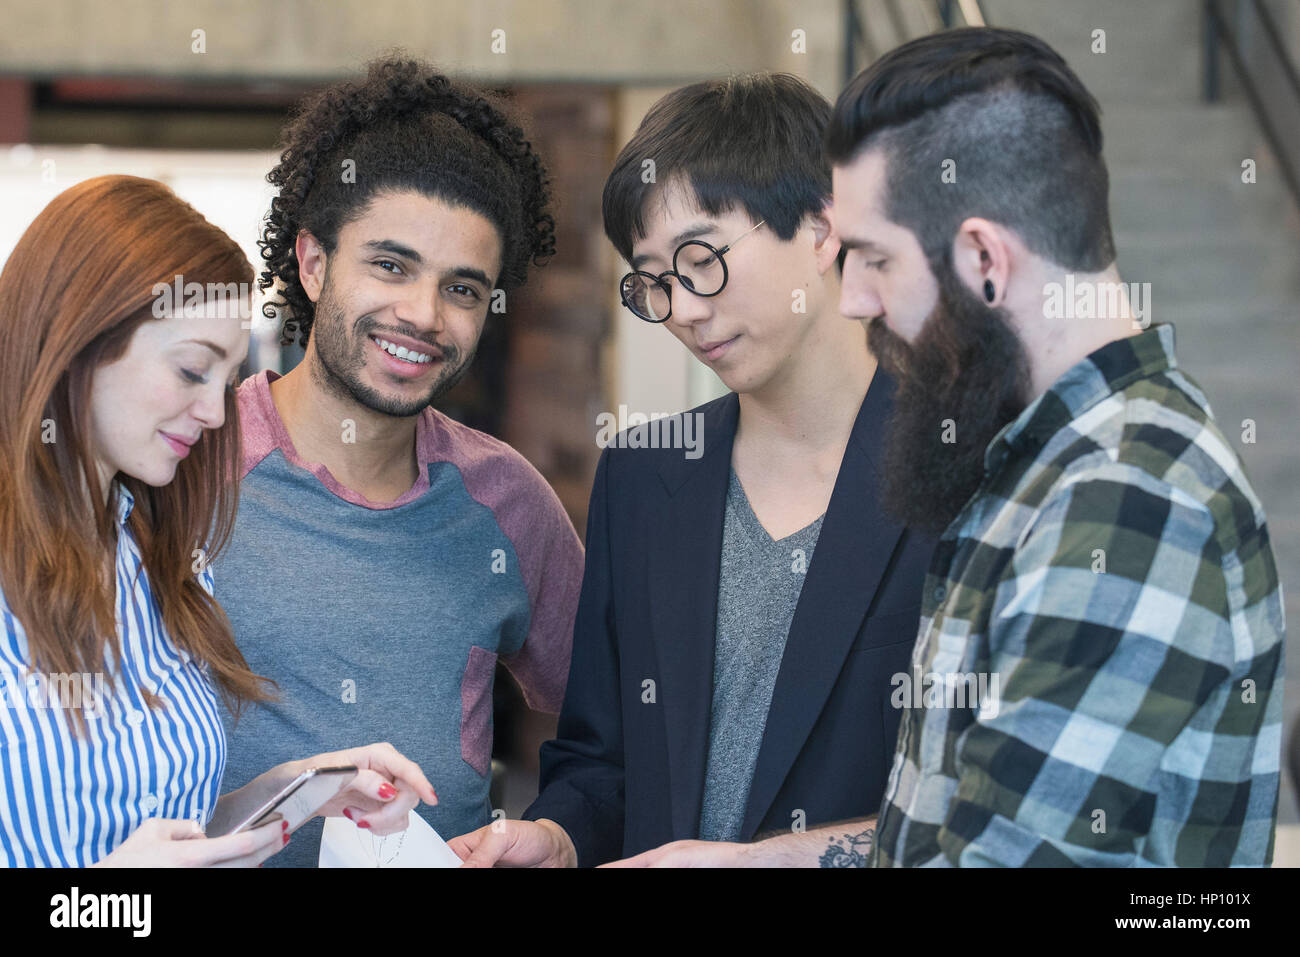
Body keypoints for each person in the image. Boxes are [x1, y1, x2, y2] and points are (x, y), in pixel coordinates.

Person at [824, 27, 1285, 866]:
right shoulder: (1043, 460)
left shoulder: (1130, 497)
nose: (852, 300)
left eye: (872, 259)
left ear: (984, 260)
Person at [452, 73, 934, 868]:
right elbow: (603, 759)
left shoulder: (964, 469)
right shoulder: (644, 475)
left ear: (822, 229)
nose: (681, 308)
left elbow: (995, 806)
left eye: (701, 259)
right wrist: (559, 835)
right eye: (654, 281)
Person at [0, 175, 437, 867]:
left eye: (225, 376)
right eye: (190, 370)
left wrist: (299, 790)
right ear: (78, 340)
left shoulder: (156, 552)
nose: (214, 413)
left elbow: (172, 832)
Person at [212, 56, 585, 866]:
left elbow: (614, 725)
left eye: (463, 289)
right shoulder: (192, 468)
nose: (422, 315)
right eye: (390, 265)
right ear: (312, 264)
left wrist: (557, 830)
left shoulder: (508, 501)